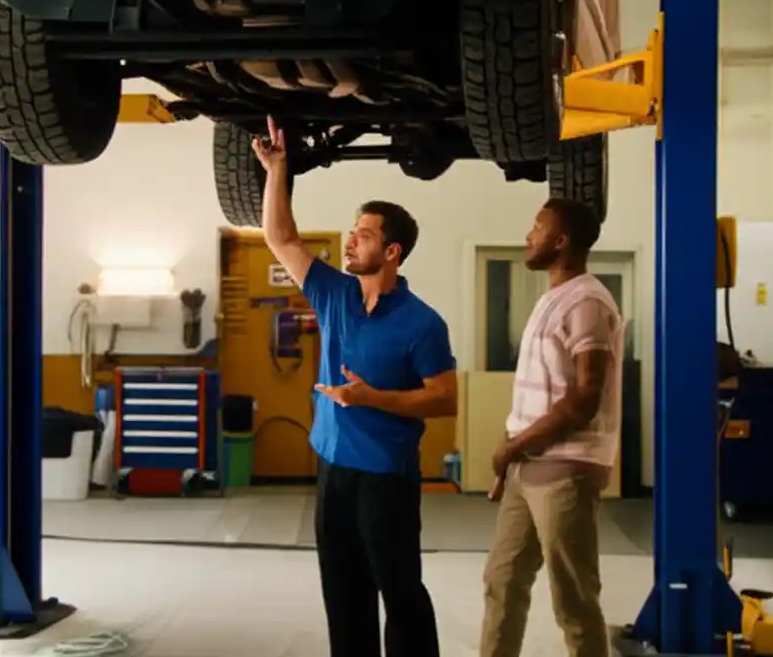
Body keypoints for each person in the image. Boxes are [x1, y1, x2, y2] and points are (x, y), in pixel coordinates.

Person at [253, 116, 458, 657]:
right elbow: (280, 237)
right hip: (333, 471)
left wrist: (373, 399)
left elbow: (445, 398)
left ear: (391, 251)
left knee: (400, 591)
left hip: (385, 480)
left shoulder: (422, 323)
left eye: (363, 235)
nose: (350, 240)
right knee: (343, 593)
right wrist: (278, 169)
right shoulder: (334, 294)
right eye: (353, 230)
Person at [480, 198, 623, 657]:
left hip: (566, 469)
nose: (529, 235)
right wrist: (510, 452)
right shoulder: (551, 298)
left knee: (573, 599)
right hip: (526, 466)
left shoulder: (587, 300)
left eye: (537, 227)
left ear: (561, 241)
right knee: (502, 582)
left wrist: (513, 446)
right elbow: (538, 390)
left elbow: (584, 398)